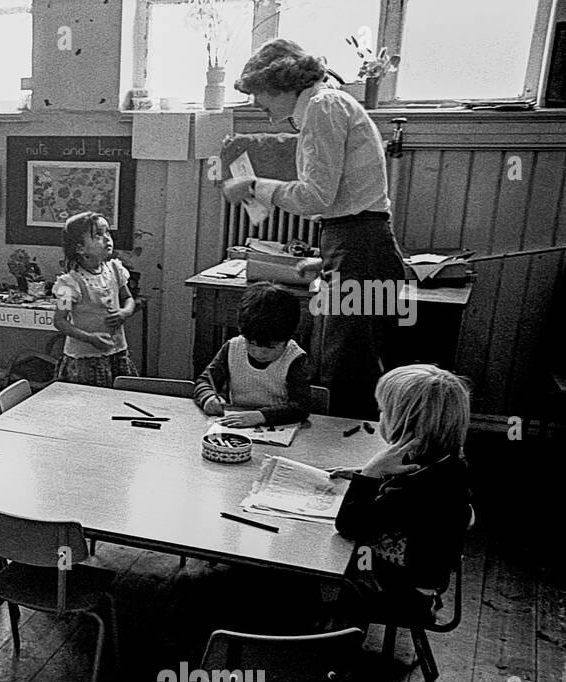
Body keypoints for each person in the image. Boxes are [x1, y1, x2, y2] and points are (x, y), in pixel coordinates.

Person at [224, 38, 407, 419]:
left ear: (282, 85)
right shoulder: (329, 105)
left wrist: (256, 186)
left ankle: (352, 467)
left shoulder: (324, 106)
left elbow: (317, 198)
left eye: (261, 95)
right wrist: (326, 262)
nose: (259, 105)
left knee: (348, 366)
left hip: (360, 246)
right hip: (357, 243)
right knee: (348, 358)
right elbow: (348, 201)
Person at [333, 364, 472, 626]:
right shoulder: (447, 461)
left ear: (406, 423)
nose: (380, 416)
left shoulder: (417, 489)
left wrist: (370, 473)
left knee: (316, 577)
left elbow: (349, 525)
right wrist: (367, 474)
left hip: (398, 597)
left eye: (384, 411)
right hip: (420, 581)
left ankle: (335, 655)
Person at [193, 281, 312, 426]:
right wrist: (208, 397)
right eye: (251, 343)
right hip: (236, 424)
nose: (259, 353)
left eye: (271, 347)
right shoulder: (234, 347)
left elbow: (300, 408)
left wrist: (260, 416)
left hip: (279, 427)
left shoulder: (294, 358)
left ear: (287, 339)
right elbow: (205, 381)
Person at [51, 212, 139, 387]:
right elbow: (59, 321)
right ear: (80, 249)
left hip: (117, 352)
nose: (107, 238)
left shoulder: (115, 270)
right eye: (98, 235)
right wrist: (90, 338)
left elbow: (128, 298)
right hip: (85, 360)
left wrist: (124, 312)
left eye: (107, 233)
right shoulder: (69, 283)